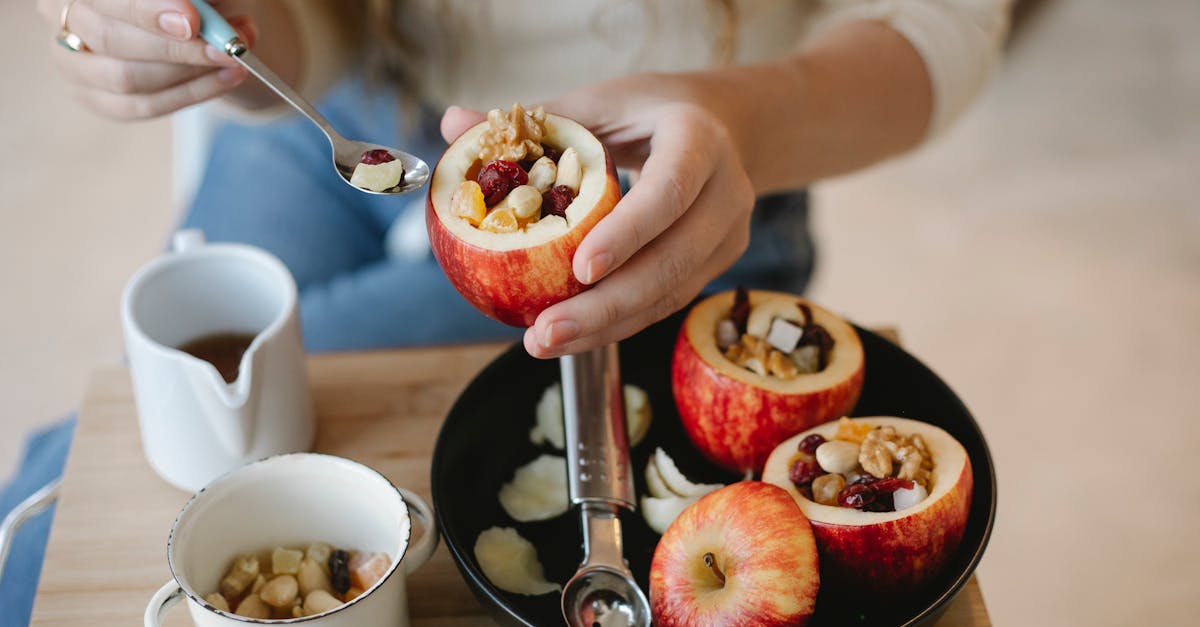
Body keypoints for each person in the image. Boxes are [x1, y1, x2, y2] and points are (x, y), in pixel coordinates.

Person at [4, 1, 1010, 625]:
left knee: (65, 472)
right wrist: (200, 31)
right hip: (340, 115)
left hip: (684, 175)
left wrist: (738, 118)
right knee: (84, 491)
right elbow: (313, 23)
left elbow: (946, 21)